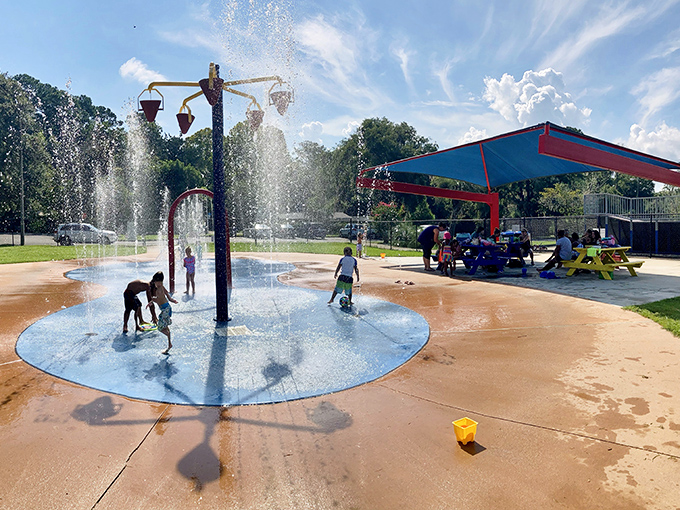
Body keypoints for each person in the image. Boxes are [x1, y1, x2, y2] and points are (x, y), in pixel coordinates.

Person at [147, 271, 178, 355]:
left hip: (165, 310)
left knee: (160, 327)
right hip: (167, 308)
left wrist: (152, 301)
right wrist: (173, 300)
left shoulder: (159, 289)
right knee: (165, 327)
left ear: (158, 281)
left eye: (155, 282)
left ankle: (168, 336)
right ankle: (169, 344)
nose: (155, 284)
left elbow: (158, 299)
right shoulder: (162, 288)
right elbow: (167, 297)